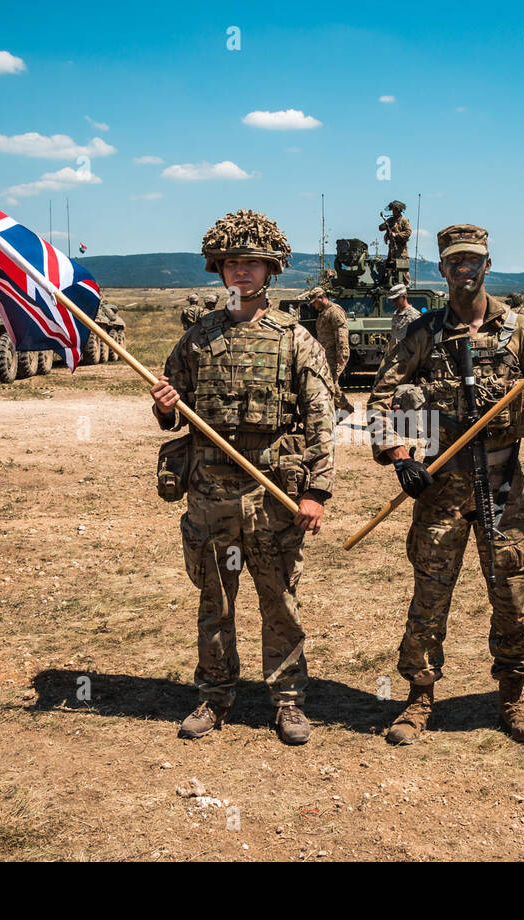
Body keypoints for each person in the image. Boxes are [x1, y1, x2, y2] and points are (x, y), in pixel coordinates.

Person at [366, 223, 524, 745]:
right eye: (454, 261)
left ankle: (512, 696)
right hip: (439, 486)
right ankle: (417, 699)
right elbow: (380, 401)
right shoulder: (422, 332)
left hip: (503, 488)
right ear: (442, 268)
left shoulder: (519, 329)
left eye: (473, 260)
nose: (464, 269)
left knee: (512, 590)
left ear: (487, 264)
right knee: (430, 595)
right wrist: (400, 456)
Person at [149, 209, 337, 746]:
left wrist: (316, 492)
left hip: (272, 494)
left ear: (270, 271)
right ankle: (213, 696)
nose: (242, 273)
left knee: (279, 600)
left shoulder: (294, 340)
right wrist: (164, 407)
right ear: (219, 269)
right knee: (215, 598)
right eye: (233, 263)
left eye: (253, 264)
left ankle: (289, 701)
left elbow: (322, 419)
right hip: (210, 492)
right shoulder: (197, 339)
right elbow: (174, 410)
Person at [306, 286, 353, 416]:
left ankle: (345, 407)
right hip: (327, 353)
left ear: (321, 298)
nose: (314, 305)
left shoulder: (334, 311)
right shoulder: (323, 312)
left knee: (331, 382)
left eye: (315, 302)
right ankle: (337, 410)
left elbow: (341, 331)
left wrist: (341, 353)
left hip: (336, 353)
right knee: (328, 381)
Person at [378, 201, 412, 287]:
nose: (393, 212)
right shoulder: (390, 220)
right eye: (392, 210)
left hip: (401, 249)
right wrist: (386, 224)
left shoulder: (404, 220)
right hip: (392, 249)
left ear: (399, 210)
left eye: (395, 210)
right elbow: (380, 228)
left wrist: (396, 235)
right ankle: (390, 283)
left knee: (402, 267)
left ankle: (405, 285)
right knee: (389, 266)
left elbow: (408, 232)